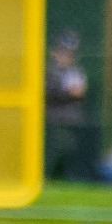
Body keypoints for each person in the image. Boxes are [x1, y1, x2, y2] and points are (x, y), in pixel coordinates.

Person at [43, 31, 90, 180]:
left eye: (69, 53)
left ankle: (71, 175)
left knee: (73, 143)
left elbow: (79, 92)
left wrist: (68, 92)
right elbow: (47, 93)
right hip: (51, 116)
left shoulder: (75, 72)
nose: (65, 56)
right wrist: (66, 92)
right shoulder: (49, 71)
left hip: (71, 118)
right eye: (62, 52)